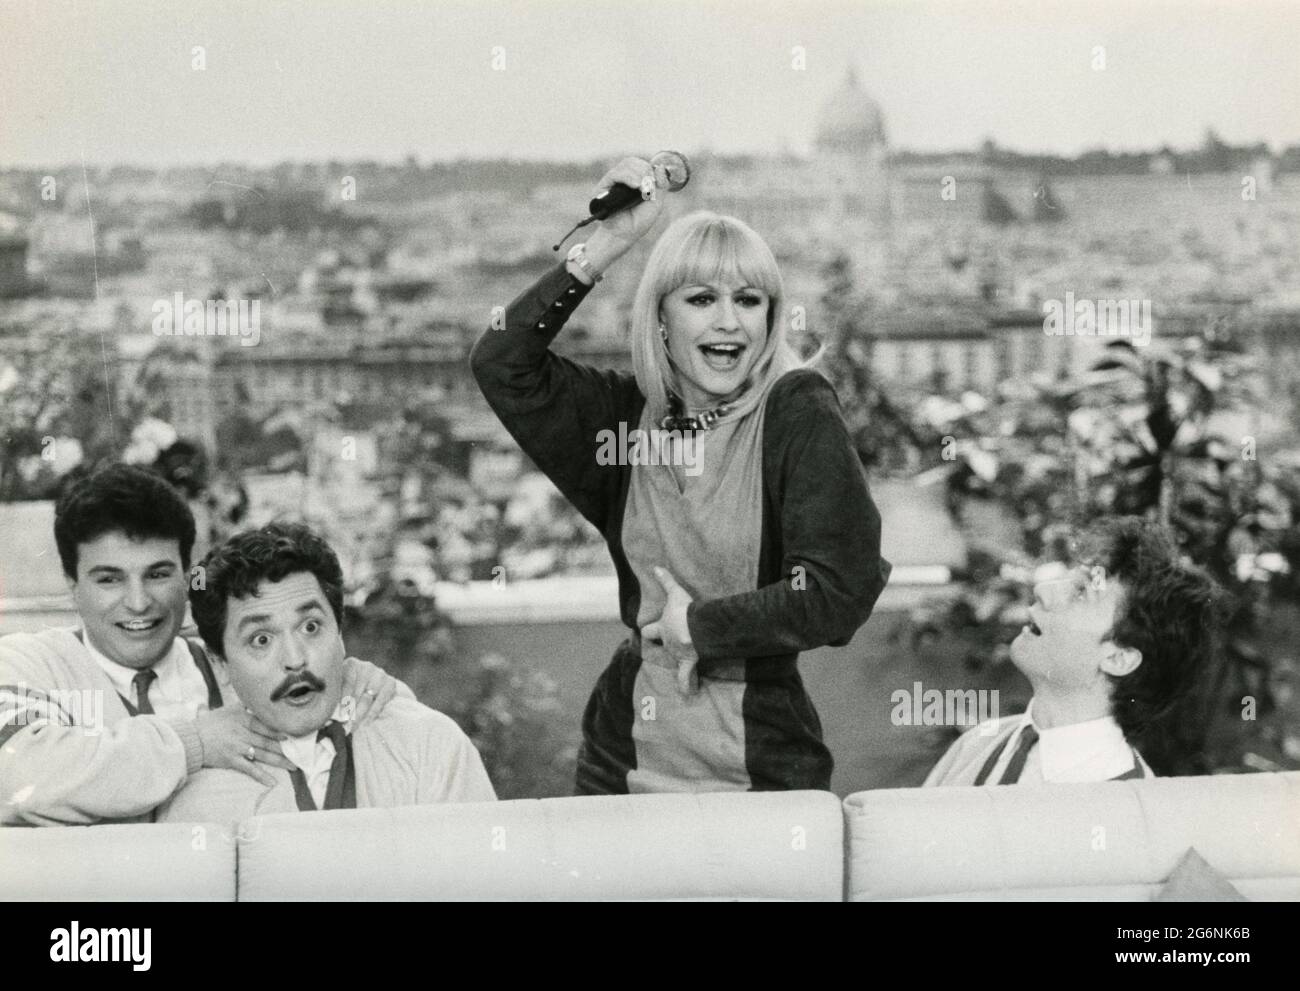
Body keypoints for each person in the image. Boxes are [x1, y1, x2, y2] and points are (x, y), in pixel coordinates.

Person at [471, 157, 891, 794]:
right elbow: (503, 361)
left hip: (758, 762)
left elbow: (840, 591)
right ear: (660, 321)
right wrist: (609, 244)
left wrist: (700, 628)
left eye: (749, 300)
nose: (729, 321)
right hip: (623, 756)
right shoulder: (621, 422)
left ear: (771, 319)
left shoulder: (796, 411)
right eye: (701, 299)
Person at [0, 464, 400, 826]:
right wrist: (192, 743)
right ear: (73, 587)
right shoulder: (27, 665)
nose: (139, 602)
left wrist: (348, 679)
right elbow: (16, 777)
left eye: (158, 574)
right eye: (110, 579)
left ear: (189, 578)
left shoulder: (232, 663)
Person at [157, 521, 494, 822]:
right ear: (220, 663)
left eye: (311, 627)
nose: (295, 659)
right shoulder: (196, 799)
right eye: (261, 639)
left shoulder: (429, 746)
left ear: (340, 633)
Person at [925, 517, 1219, 786]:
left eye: (1081, 593)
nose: (1044, 589)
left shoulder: (1129, 808)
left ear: (1118, 658)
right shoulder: (977, 744)